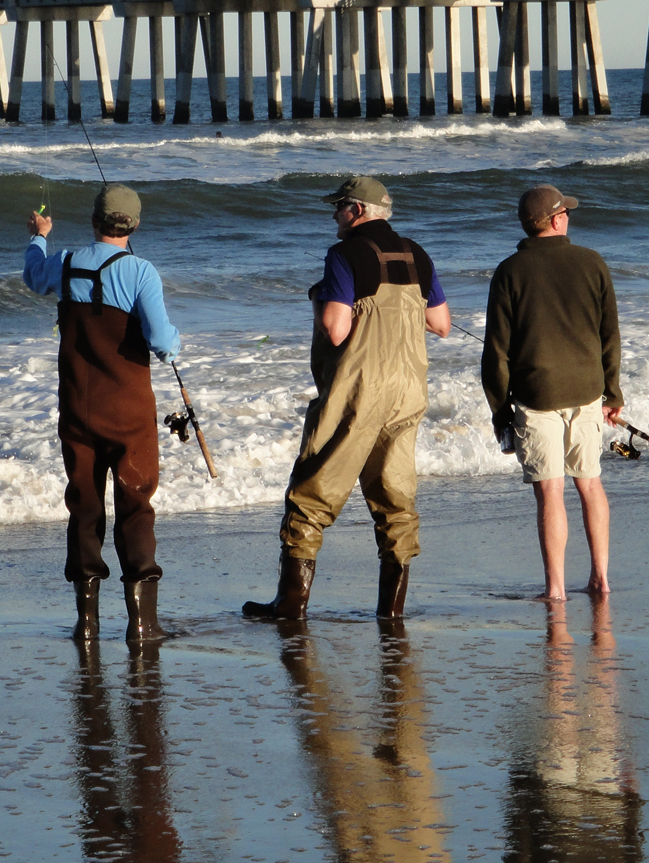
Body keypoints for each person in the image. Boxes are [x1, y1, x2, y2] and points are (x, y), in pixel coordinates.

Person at [243, 177, 451, 623]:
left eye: (338, 206)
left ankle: (290, 604)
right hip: (409, 389)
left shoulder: (343, 255)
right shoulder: (417, 254)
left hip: (358, 390)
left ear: (357, 210)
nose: (334, 214)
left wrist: (320, 296)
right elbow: (442, 324)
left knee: (314, 490)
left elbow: (337, 329)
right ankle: (391, 613)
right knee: (396, 497)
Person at [24, 186, 181, 643]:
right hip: (128, 410)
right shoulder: (141, 271)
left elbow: (34, 276)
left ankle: (86, 624)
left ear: (94, 221)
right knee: (135, 505)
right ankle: (142, 624)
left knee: (85, 506)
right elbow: (162, 342)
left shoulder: (66, 261)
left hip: (77, 407)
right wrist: (177, 340)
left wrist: (39, 236)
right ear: (133, 226)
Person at [482, 185, 623, 600]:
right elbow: (609, 336)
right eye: (567, 213)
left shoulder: (509, 272)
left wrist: (500, 411)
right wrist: (612, 392)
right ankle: (601, 577)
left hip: (536, 396)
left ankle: (556, 589)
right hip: (587, 392)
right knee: (591, 484)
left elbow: (496, 354)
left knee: (550, 491)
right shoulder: (592, 262)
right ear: (558, 219)